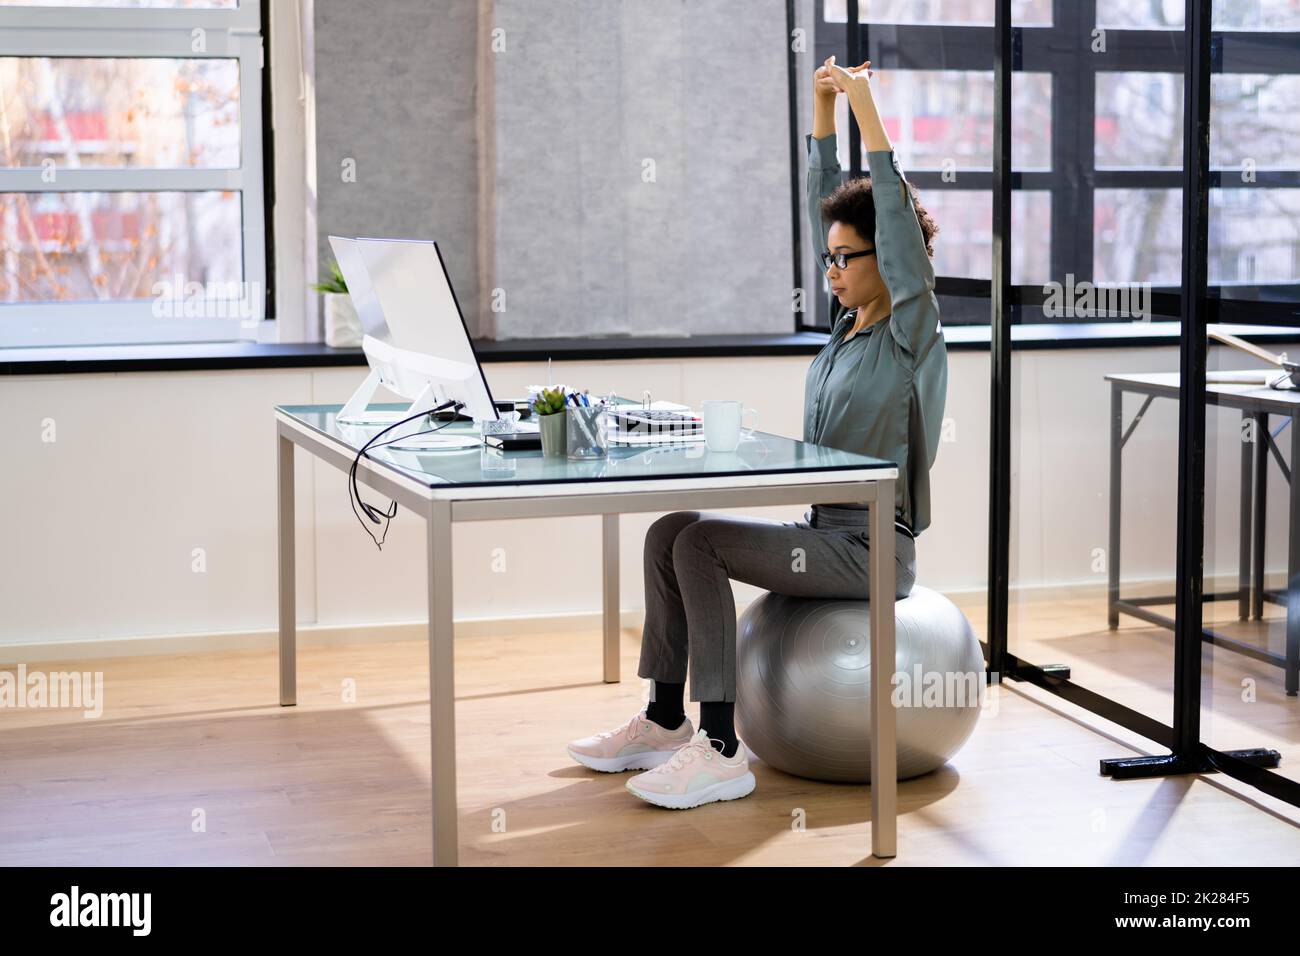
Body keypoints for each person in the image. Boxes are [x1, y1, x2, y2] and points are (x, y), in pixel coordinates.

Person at [566, 55, 948, 810]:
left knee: (701, 544)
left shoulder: (913, 326)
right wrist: (817, 108)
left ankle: (719, 748)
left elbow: (891, 218)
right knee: (671, 529)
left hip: (871, 547)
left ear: (890, 262)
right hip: (821, 531)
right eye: (828, 258)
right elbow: (823, 202)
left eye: (846, 259)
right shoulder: (846, 329)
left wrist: (865, 107)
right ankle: (666, 720)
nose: (831, 270)